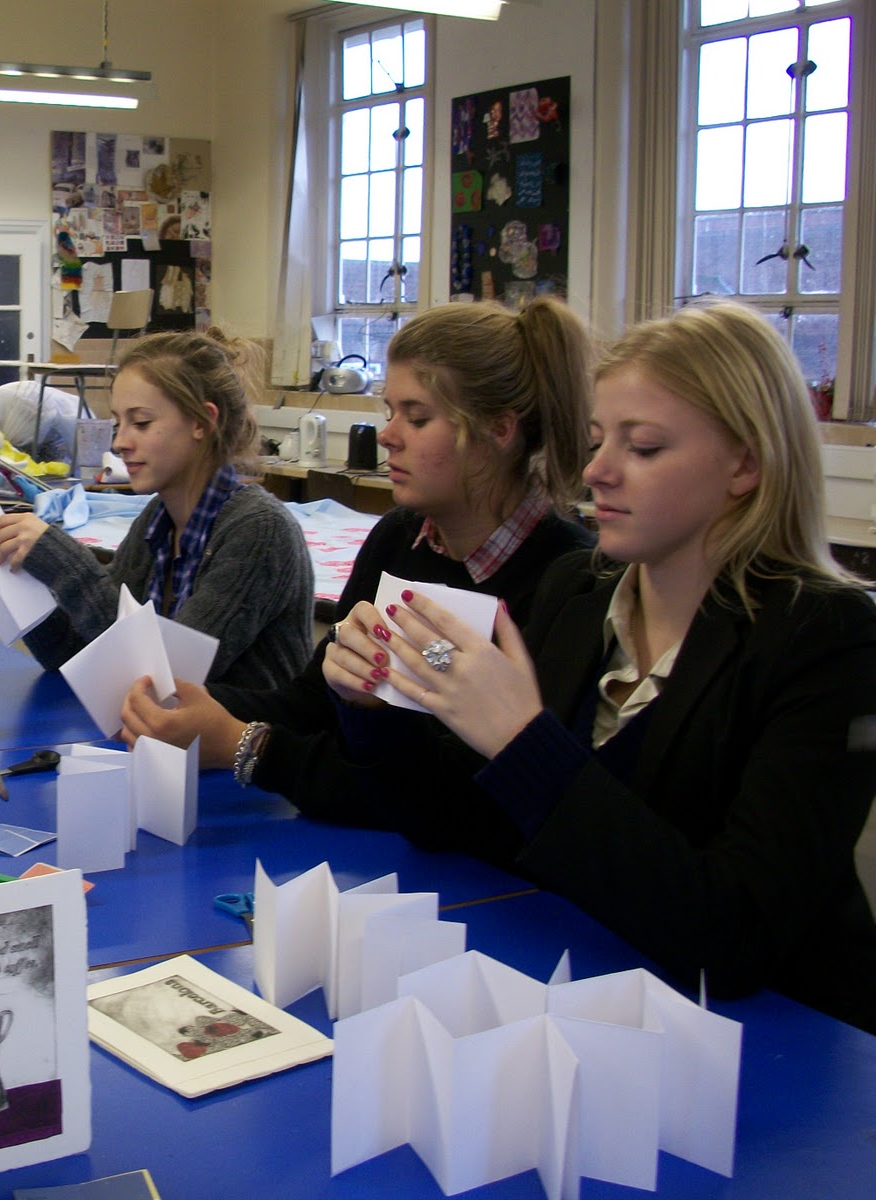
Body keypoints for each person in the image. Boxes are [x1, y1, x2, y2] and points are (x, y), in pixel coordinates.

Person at [326, 302, 876, 1031]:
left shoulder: (825, 638)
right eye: (596, 442)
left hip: (767, 1047)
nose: (598, 472)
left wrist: (523, 744)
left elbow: (734, 939)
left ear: (745, 462)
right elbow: (468, 830)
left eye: (642, 448)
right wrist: (378, 710)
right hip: (582, 999)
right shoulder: (579, 594)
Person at [119, 299, 595, 808]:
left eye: (416, 417)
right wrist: (200, 704)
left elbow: (457, 800)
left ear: (499, 431)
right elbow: (314, 700)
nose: (388, 436)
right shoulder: (397, 537)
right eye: (390, 412)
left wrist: (247, 746)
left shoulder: (568, 581)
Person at [0, 329, 314, 690]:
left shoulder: (260, 531)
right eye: (119, 423)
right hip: (171, 743)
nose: (119, 443)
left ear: (203, 422)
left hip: (241, 745)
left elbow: (164, 680)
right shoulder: (158, 520)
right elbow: (78, 654)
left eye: (142, 423)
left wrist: (62, 561)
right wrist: (8, 564)